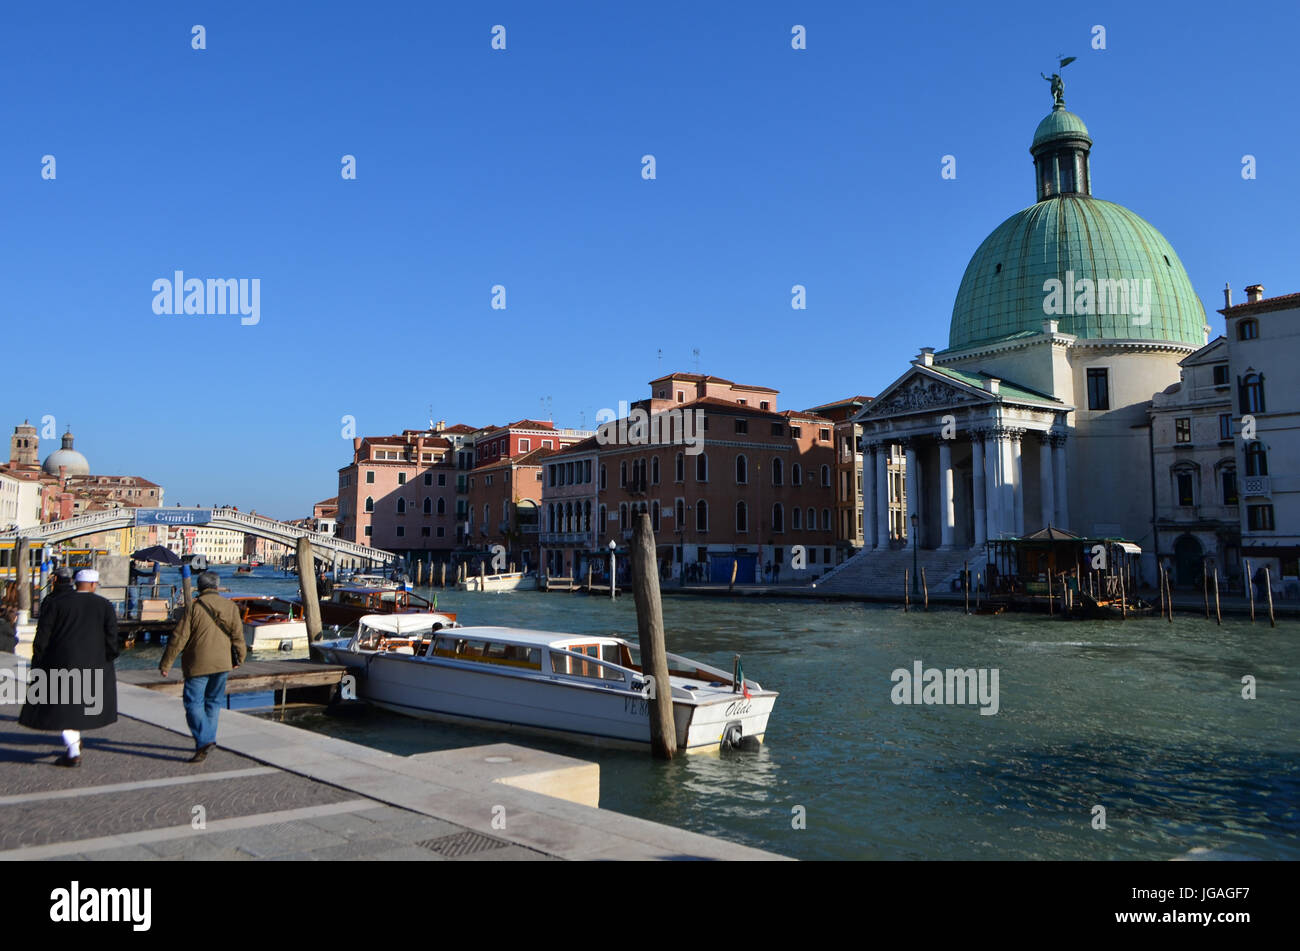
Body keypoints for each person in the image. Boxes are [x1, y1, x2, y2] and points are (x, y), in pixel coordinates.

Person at [18, 569, 119, 766]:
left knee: (65, 708)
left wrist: (39, 658)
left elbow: (43, 635)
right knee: (78, 709)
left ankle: (73, 750)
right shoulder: (104, 605)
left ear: (76, 583)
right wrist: (109, 656)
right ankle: (73, 748)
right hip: (93, 664)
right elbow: (112, 637)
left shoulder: (57, 603)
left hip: (61, 662)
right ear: (92, 585)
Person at [159, 571, 247, 762]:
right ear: (217, 586)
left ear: (199, 587)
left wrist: (166, 663)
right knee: (213, 702)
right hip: (223, 663)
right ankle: (206, 742)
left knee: (192, 703)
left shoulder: (194, 607)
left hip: (198, 663)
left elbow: (179, 637)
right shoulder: (230, 606)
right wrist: (240, 657)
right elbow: (238, 636)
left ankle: (205, 740)